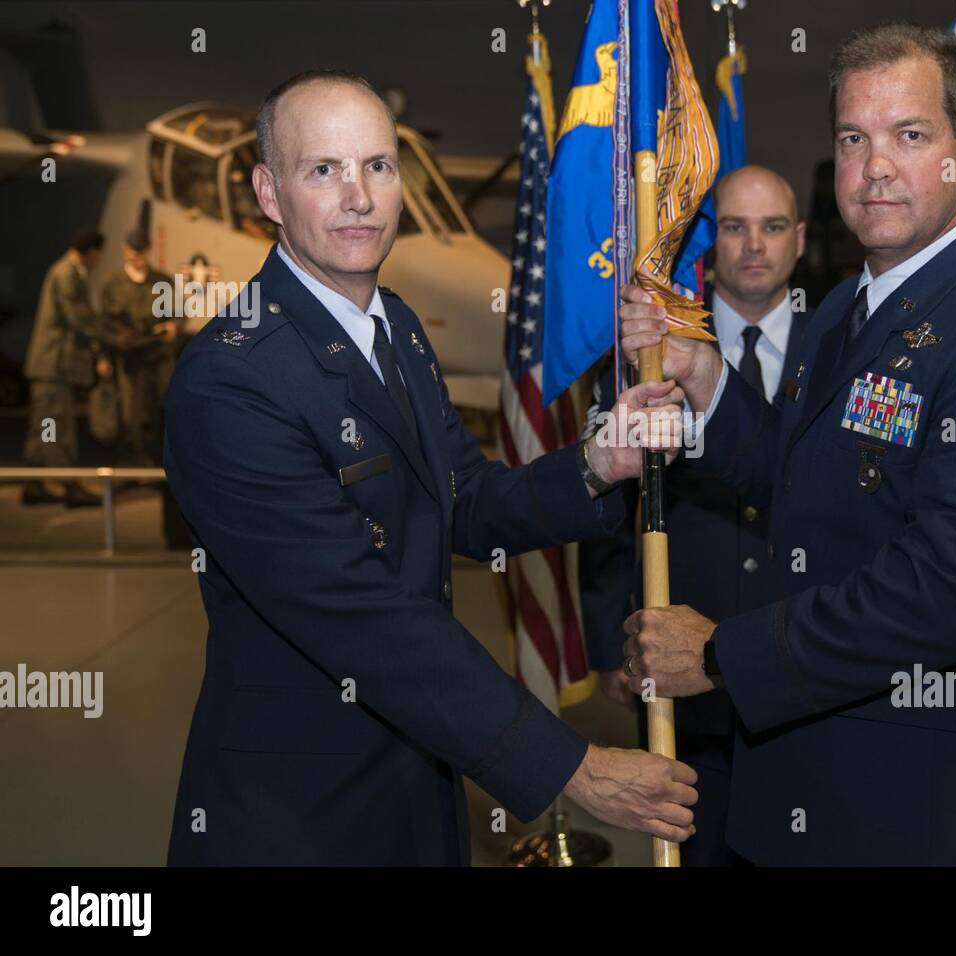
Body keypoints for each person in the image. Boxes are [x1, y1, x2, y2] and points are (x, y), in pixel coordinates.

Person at [163, 69, 696, 865]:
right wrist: (572, 765)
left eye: (378, 166)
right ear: (269, 194)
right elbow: (359, 612)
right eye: (324, 170)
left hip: (418, 772)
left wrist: (594, 462)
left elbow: (465, 500)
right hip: (300, 813)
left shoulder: (396, 329)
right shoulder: (233, 380)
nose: (359, 196)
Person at [618, 23, 956, 865]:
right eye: (853, 139)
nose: (874, 168)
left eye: (909, 136)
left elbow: (948, 589)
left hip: (916, 808)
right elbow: (799, 474)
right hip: (795, 785)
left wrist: (723, 655)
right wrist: (705, 378)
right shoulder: (845, 306)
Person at [580, 165, 808, 866]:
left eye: (772, 227)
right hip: (683, 682)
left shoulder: (838, 353)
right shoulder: (645, 355)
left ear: (798, 241)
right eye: (735, 226)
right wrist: (605, 645)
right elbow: (611, 512)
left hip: (798, 672)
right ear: (714, 244)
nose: (754, 246)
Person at [21, 228, 107, 507]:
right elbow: (77, 317)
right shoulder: (67, 273)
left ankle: (33, 485)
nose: (98, 261)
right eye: (99, 254)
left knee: (42, 426)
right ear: (91, 251)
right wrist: (108, 333)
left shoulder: (61, 270)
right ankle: (70, 486)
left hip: (46, 366)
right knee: (59, 426)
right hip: (54, 365)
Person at [99, 227, 177, 466]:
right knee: (130, 413)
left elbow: (175, 314)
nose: (136, 257)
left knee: (159, 408)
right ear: (125, 250)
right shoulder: (113, 282)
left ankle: (156, 464)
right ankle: (133, 463)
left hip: (157, 355)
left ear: (148, 252)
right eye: (133, 251)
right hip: (128, 357)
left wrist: (173, 326)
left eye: (141, 252)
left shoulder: (162, 281)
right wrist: (102, 357)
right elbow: (104, 322)